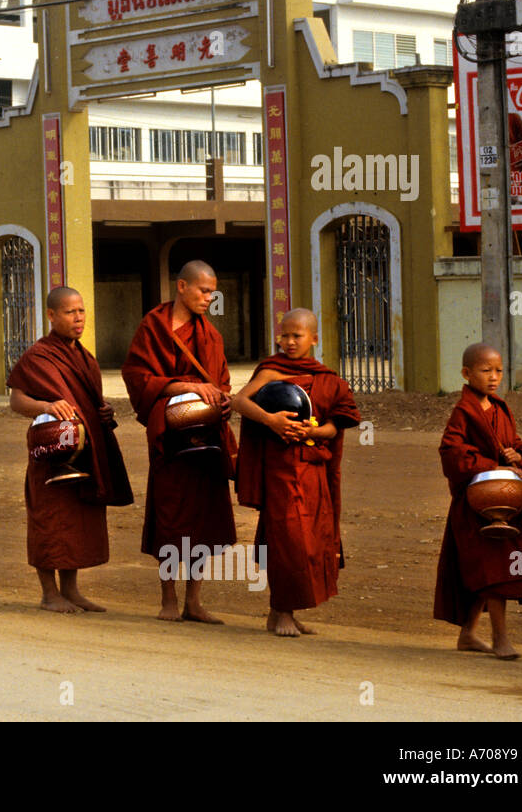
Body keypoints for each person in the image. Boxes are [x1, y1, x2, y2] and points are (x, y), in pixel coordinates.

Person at [232, 308, 360, 637]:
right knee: (288, 540)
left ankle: (280, 611)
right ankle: (284, 610)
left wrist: (311, 433)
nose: (289, 342)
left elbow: (334, 428)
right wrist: (271, 420)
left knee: (312, 540)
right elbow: (239, 401)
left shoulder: (329, 380)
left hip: (314, 472)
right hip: (281, 471)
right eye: (284, 335)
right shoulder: (272, 371)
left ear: (314, 339)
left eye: (297, 336)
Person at [122, 260, 236, 623]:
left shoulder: (211, 336)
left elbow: (221, 382)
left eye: (212, 292)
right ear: (182, 287)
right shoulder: (152, 328)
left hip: (205, 439)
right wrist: (185, 386)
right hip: (170, 438)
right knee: (170, 516)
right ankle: (168, 598)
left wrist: (222, 399)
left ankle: (195, 600)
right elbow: (138, 377)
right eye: (203, 290)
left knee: (203, 518)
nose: (208, 298)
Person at [8, 286, 132, 613]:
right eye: (69, 312)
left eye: (81, 311)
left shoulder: (85, 357)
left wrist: (102, 411)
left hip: (84, 450)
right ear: (51, 315)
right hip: (52, 452)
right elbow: (16, 400)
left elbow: (88, 401)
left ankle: (71, 590)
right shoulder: (39, 355)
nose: (78, 318)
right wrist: (47, 405)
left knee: (77, 518)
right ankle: (49, 594)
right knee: (50, 518)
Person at [433, 343, 522, 660]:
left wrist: (517, 455)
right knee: (494, 571)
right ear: (467, 373)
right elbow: (451, 453)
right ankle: (501, 638)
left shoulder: (500, 408)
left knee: (490, 569)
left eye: (499, 371)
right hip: (476, 506)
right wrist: (491, 465)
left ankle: (468, 634)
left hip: (504, 502)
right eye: (485, 370)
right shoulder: (463, 412)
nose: (494, 377)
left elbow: (517, 445)